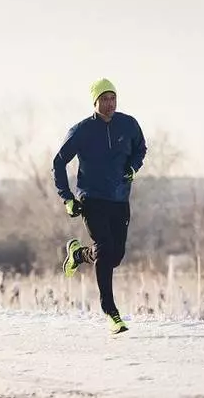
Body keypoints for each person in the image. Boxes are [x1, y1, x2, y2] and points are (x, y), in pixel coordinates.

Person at [51, 78, 147, 334]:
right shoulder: (81, 131)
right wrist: (67, 197)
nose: (110, 103)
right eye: (104, 99)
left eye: (113, 98)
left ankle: (79, 254)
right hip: (92, 199)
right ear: (95, 102)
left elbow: (141, 149)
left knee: (114, 256)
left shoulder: (129, 124)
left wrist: (133, 168)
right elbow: (59, 163)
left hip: (120, 199)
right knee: (105, 249)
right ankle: (111, 312)